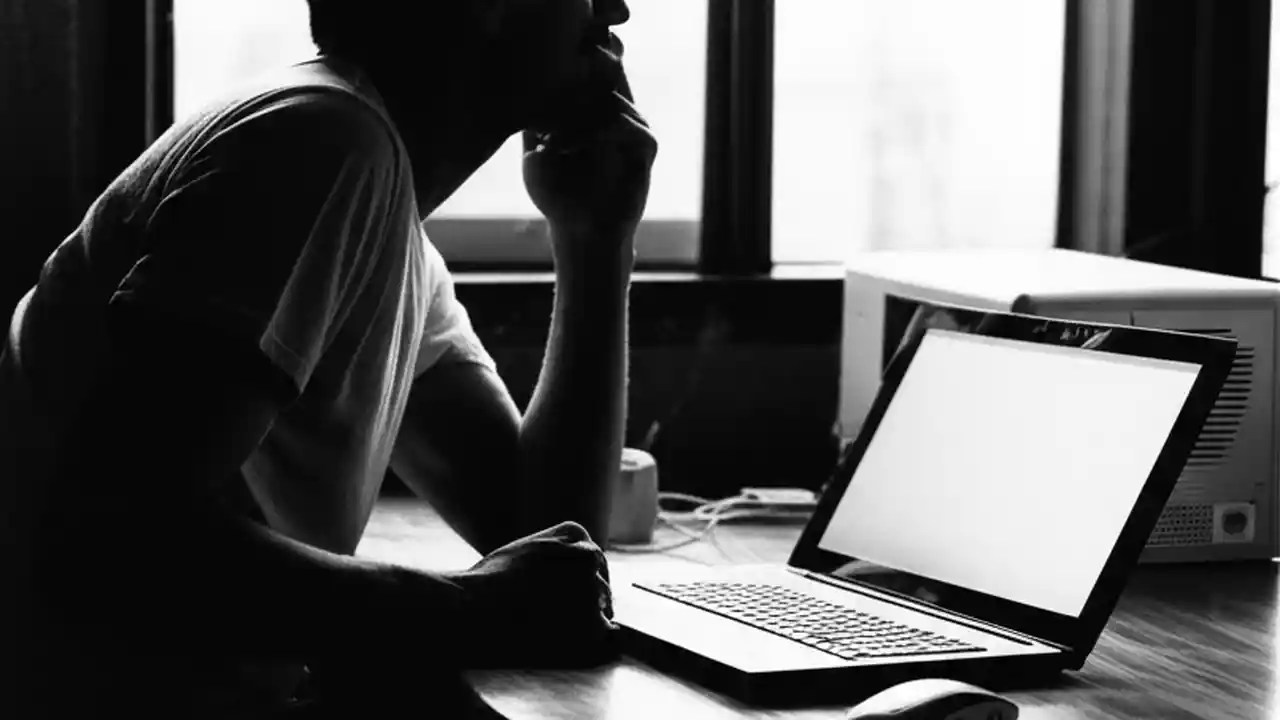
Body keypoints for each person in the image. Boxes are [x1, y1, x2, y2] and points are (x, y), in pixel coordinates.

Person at [0, 0, 656, 716]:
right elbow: (111, 537)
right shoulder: (321, 143)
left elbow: (556, 546)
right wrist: (462, 606)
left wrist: (597, 238)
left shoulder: (376, 197)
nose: (614, 8)